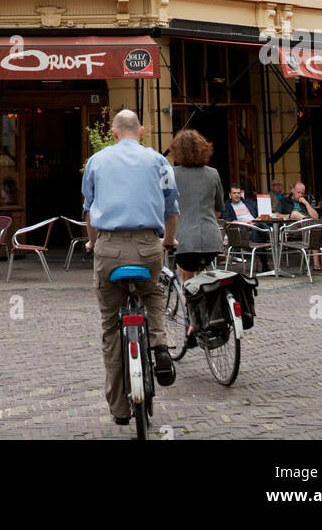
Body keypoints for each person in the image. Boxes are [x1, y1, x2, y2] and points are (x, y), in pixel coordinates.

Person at [81, 109, 179, 424]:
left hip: (109, 246)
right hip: (148, 245)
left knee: (111, 326)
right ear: (142, 132)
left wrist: (93, 244)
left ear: (113, 134)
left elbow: (89, 211)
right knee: (153, 293)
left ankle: (120, 410)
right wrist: (169, 242)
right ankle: (160, 344)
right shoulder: (159, 161)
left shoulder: (96, 161)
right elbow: (171, 208)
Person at [171, 131, 225, 338]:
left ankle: (193, 323)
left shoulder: (172, 173)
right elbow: (219, 206)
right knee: (202, 278)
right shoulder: (213, 173)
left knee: (186, 280)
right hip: (211, 238)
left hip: (183, 239)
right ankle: (212, 315)